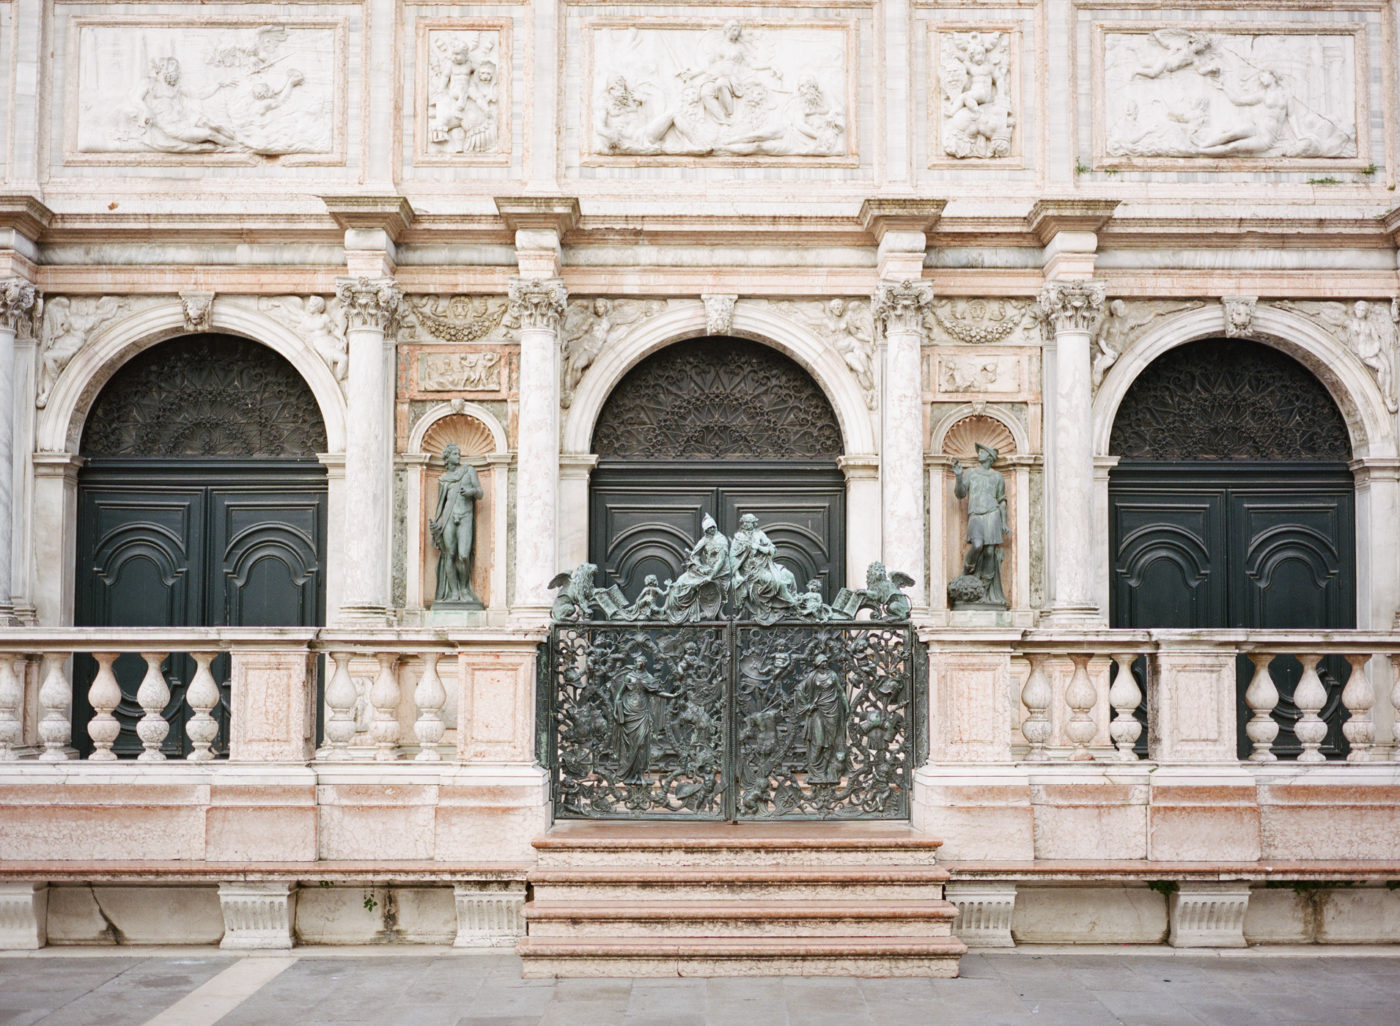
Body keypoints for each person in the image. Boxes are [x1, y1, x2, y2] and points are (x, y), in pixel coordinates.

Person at [953, 443, 1009, 607]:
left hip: (993, 514)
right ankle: (966, 572)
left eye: (983, 452)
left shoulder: (997, 476)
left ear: (990, 457)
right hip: (976, 514)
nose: (979, 454)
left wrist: (1004, 522)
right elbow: (960, 494)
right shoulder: (971, 473)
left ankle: (984, 588)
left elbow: (1001, 500)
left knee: (990, 551)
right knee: (977, 545)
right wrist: (958, 477)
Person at [429, 443, 483, 605]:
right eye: (454, 454)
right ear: (447, 457)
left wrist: (471, 492)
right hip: (448, 518)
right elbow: (441, 504)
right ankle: (454, 591)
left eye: (458, 454)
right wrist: (437, 522)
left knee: (463, 555)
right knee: (449, 555)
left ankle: (465, 589)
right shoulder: (443, 479)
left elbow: (480, 493)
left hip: (465, 516)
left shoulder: (468, 471)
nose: (458, 456)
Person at [729, 514, 799, 620]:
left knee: (789, 575)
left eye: (748, 522)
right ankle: (792, 604)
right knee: (777, 582)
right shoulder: (738, 538)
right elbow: (733, 558)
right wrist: (737, 575)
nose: (745, 524)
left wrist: (759, 547)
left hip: (765, 565)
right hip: (751, 571)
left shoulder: (759, 534)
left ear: (754, 523)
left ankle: (793, 600)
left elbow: (772, 550)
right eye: (744, 522)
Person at [664, 514, 731, 622]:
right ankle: (681, 610)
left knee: (700, 586)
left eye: (713, 527)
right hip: (706, 571)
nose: (712, 529)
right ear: (706, 530)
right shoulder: (705, 539)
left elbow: (721, 561)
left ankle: (700, 613)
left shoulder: (721, 540)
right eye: (709, 528)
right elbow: (695, 555)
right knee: (682, 581)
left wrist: (710, 576)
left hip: (719, 573)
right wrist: (699, 566)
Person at [795, 653, 847, 783]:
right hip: (818, 711)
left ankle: (827, 771)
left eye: (826, 661)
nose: (825, 663)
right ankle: (815, 772)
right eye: (822, 661)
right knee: (818, 742)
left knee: (831, 742)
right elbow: (799, 689)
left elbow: (840, 691)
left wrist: (847, 707)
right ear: (817, 664)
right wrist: (807, 706)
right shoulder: (812, 676)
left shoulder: (833, 675)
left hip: (833, 710)